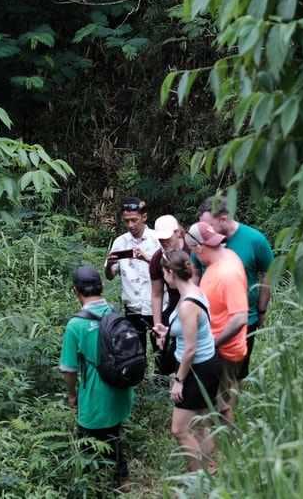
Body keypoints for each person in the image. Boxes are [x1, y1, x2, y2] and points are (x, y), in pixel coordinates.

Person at [60, 266, 134, 492]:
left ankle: (94, 487)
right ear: (102, 286)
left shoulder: (75, 325)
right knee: (114, 434)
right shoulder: (114, 311)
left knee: (87, 443)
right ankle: (123, 480)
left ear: (75, 291)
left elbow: (69, 370)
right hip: (121, 389)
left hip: (94, 396)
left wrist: (72, 395)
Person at [152, 250, 221, 472]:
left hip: (196, 370)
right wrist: (168, 330)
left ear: (171, 272)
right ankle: (208, 469)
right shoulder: (192, 291)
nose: (163, 276)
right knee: (200, 425)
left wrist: (179, 380)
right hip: (207, 364)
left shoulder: (187, 305)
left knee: (179, 430)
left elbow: (191, 348)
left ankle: (200, 475)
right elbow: (191, 330)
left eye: (164, 272)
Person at [197, 196, 274, 380]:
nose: (206, 232)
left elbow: (268, 273)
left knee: (237, 374)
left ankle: (232, 408)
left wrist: (261, 310)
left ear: (224, 219)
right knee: (209, 373)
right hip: (208, 320)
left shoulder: (255, 240)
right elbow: (194, 270)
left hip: (243, 319)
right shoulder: (205, 240)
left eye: (209, 226)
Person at [185, 221, 248, 426]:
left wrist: (214, 343)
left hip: (225, 350)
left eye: (194, 250)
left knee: (223, 404)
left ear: (201, 247)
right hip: (214, 346)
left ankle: (225, 452)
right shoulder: (223, 257)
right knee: (214, 400)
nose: (195, 255)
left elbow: (240, 317)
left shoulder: (227, 273)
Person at [105, 197, 161, 353]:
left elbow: (169, 270)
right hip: (132, 306)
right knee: (135, 351)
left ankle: (161, 378)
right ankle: (139, 377)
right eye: (126, 221)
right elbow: (110, 276)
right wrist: (109, 265)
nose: (130, 225)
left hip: (156, 305)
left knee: (160, 349)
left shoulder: (158, 239)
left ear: (144, 217)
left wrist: (148, 259)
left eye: (134, 220)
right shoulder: (120, 242)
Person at [147, 214, 197, 331]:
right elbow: (157, 294)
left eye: (167, 238)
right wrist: (157, 325)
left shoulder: (193, 251)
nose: (164, 242)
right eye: (161, 239)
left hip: (197, 306)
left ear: (178, 233)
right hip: (176, 310)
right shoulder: (157, 258)